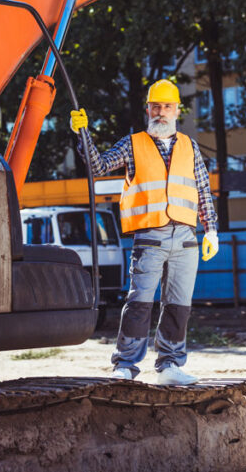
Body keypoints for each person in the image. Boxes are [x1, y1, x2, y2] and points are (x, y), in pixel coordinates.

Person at [70, 79, 219, 386]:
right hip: (150, 237)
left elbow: (203, 190)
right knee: (139, 304)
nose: (161, 112)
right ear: (148, 109)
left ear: (177, 110)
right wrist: (82, 133)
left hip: (186, 239)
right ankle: (125, 364)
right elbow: (98, 166)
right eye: (156, 106)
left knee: (179, 306)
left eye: (167, 106)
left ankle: (170, 365)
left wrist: (212, 230)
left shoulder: (190, 147)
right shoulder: (133, 143)